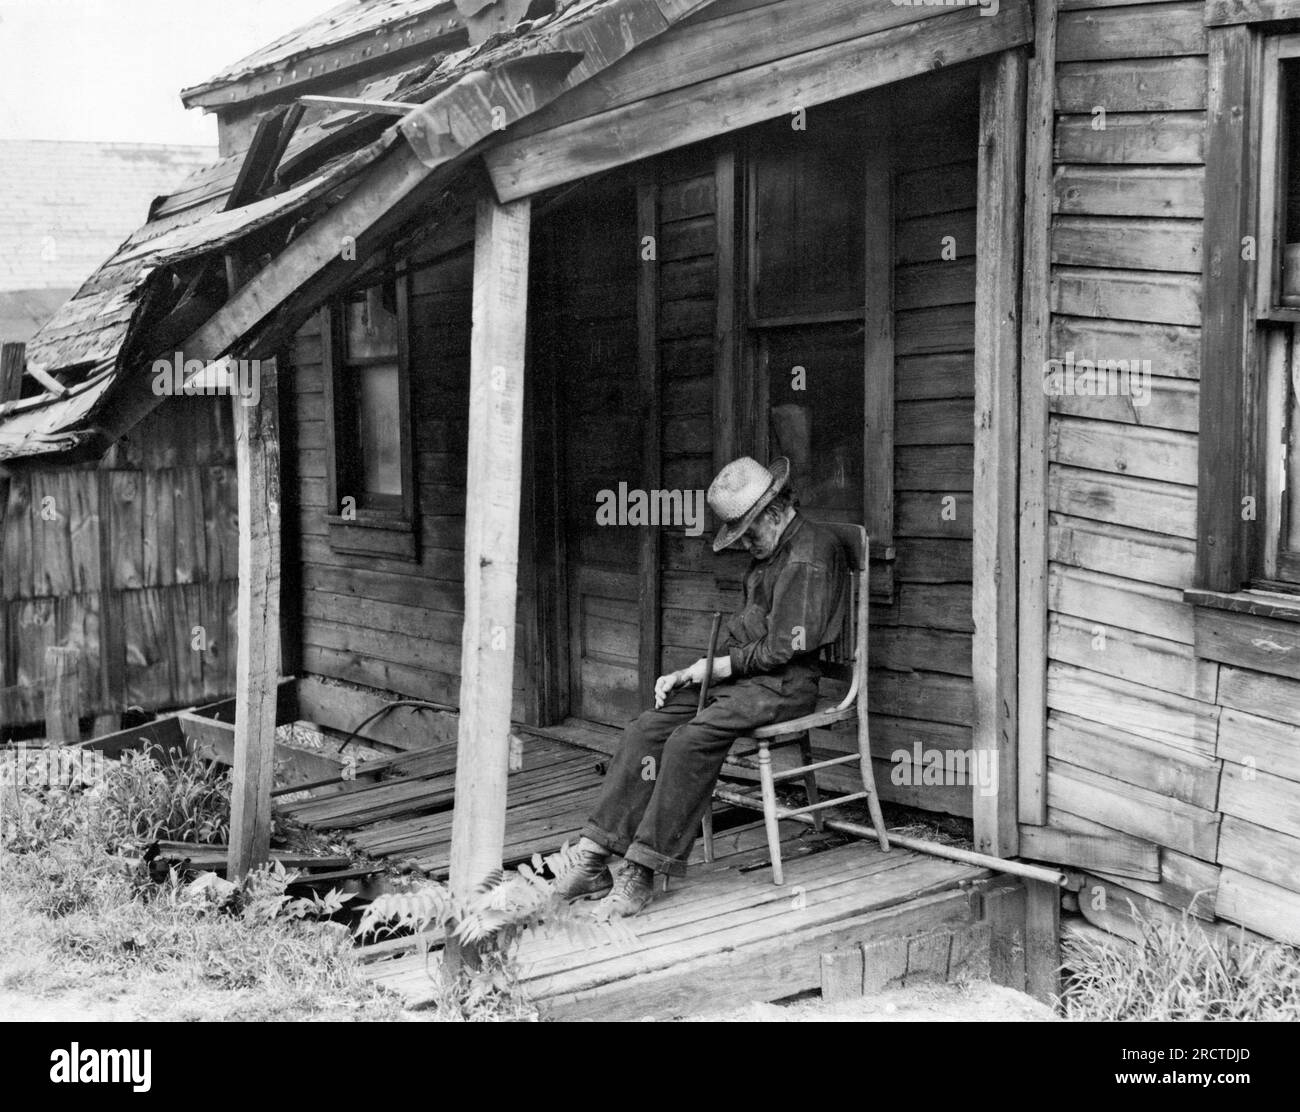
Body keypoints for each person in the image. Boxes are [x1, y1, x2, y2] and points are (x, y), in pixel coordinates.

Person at [553, 456, 850, 917]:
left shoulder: (809, 555)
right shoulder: (772, 552)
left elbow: (784, 647)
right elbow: (750, 632)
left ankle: (642, 869)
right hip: (748, 679)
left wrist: (718, 668)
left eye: (748, 532)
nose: (745, 543)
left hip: (786, 685)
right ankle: (594, 855)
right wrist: (694, 671)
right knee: (646, 729)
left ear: (775, 512)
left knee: (688, 742)